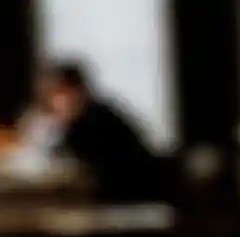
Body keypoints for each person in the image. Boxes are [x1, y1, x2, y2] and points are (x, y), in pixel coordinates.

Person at [41, 63, 162, 203]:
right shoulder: (84, 116)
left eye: (57, 93)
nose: (53, 102)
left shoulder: (97, 117)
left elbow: (83, 164)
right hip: (116, 194)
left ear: (74, 91)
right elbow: (59, 152)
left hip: (133, 195)